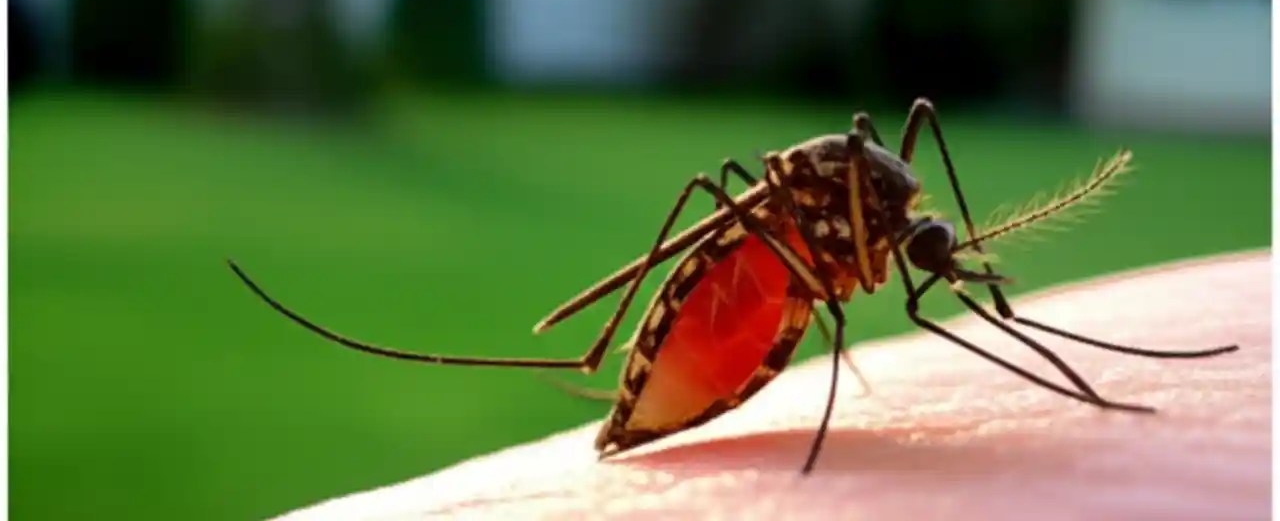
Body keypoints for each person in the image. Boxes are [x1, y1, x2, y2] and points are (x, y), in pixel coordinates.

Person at [275, 251, 1270, 520]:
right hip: (756, 273)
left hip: (785, 270)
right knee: (730, 185)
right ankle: (592, 362)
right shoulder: (853, 219)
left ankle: (594, 365)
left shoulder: (883, 220)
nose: (936, 270)